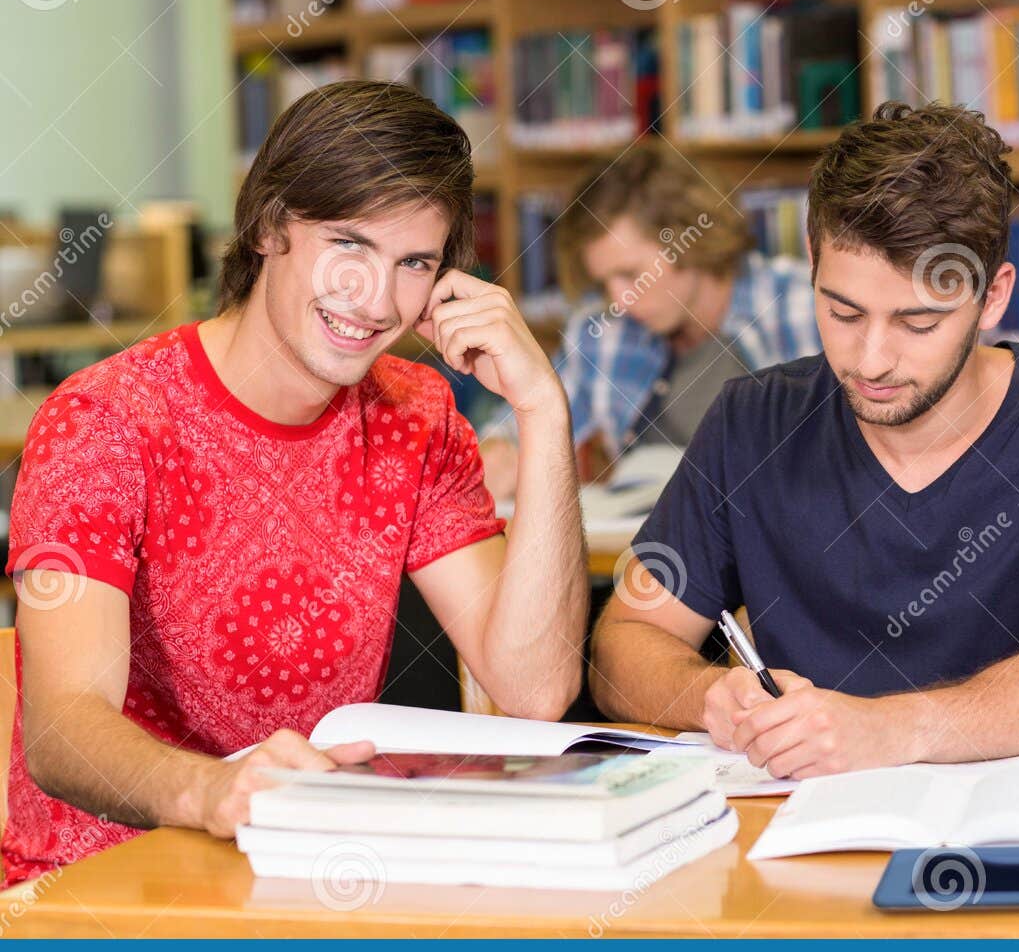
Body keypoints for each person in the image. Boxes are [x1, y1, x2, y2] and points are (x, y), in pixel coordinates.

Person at [2, 81, 587, 886]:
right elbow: (63, 729)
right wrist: (215, 792)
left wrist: (543, 410)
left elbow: (534, 687)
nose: (374, 299)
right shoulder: (103, 421)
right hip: (103, 895)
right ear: (270, 225)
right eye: (349, 244)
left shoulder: (415, 414)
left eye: (413, 261)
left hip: (301, 875)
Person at [587, 101, 1019, 778]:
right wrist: (710, 696)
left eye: (916, 322)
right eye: (843, 311)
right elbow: (624, 641)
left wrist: (884, 729)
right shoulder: (751, 421)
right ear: (813, 262)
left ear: (992, 297)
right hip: (806, 838)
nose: (871, 359)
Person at [478, 144, 819, 496]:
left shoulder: (802, 306)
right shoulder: (602, 333)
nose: (620, 300)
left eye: (630, 274)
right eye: (605, 281)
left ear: (689, 240)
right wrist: (501, 451)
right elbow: (526, 421)